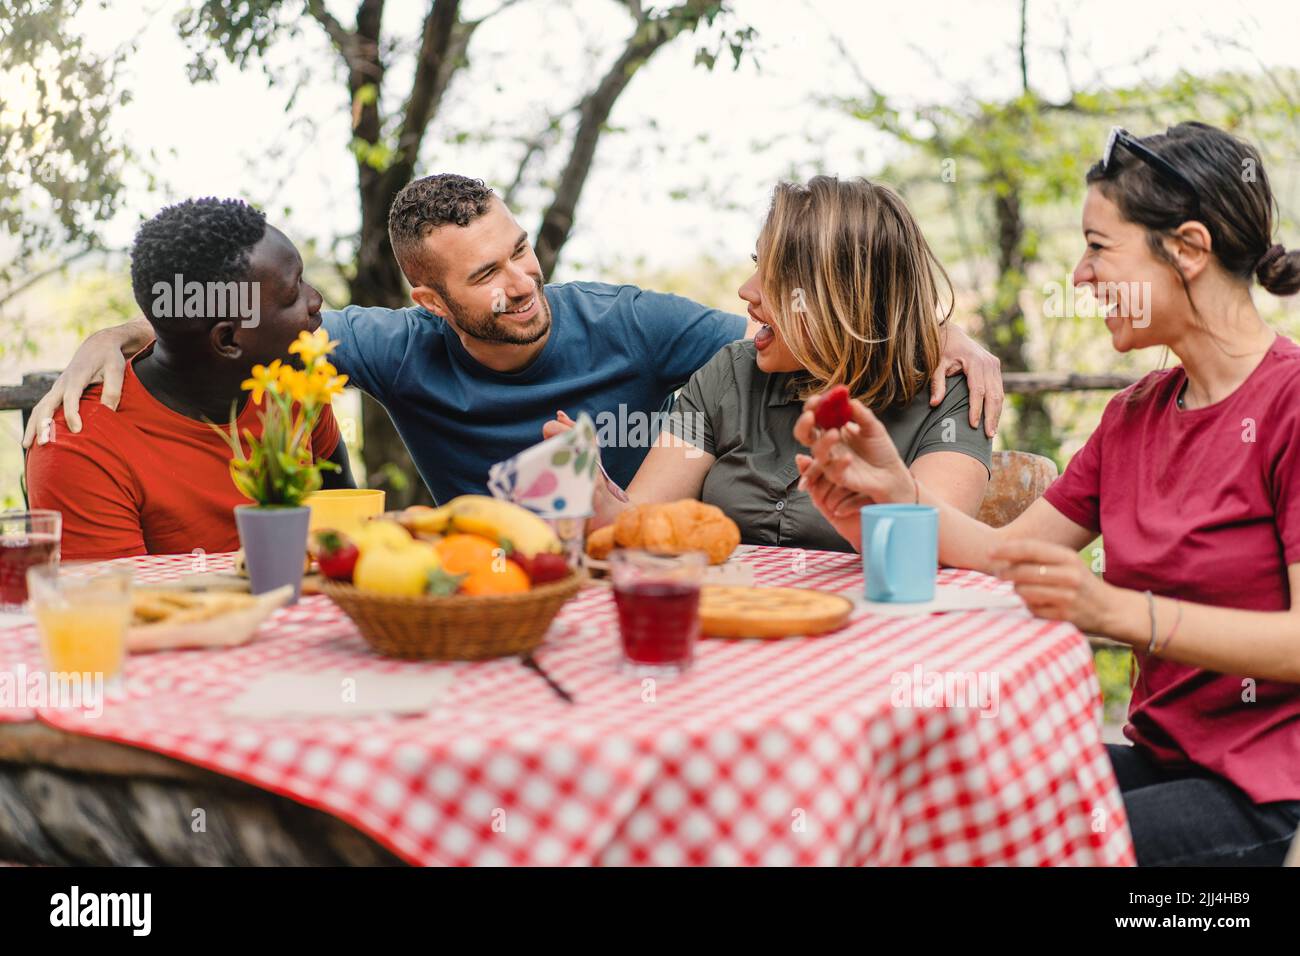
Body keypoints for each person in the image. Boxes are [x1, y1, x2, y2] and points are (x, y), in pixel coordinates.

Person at [797, 122, 1300, 865]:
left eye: (1099, 247)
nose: (1079, 275)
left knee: (1030, 850)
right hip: (1162, 762)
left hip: (1267, 797)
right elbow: (1004, 553)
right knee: (940, 808)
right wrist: (889, 489)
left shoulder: (1290, 403)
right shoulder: (1132, 416)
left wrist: (1109, 609)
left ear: (1189, 248)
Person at [24, 175, 1006, 504]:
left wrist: (939, 325)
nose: (523, 282)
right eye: (486, 275)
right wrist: (113, 334)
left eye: (522, 252)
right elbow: (228, 323)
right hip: (492, 607)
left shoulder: (637, 324)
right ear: (431, 299)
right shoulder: (391, 344)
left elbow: (809, 324)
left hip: (625, 586)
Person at [548, 176, 990, 551]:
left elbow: (931, 550)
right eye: (757, 263)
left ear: (840, 295)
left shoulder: (949, 393)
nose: (745, 289)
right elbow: (640, 528)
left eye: (775, 274)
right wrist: (599, 498)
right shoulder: (728, 375)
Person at [26, 198, 353, 560]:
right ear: (228, 340)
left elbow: (347, 535)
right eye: (293, 294)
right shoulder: (82, 448)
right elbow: (120, 608)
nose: (316, 299)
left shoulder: (294, 388)